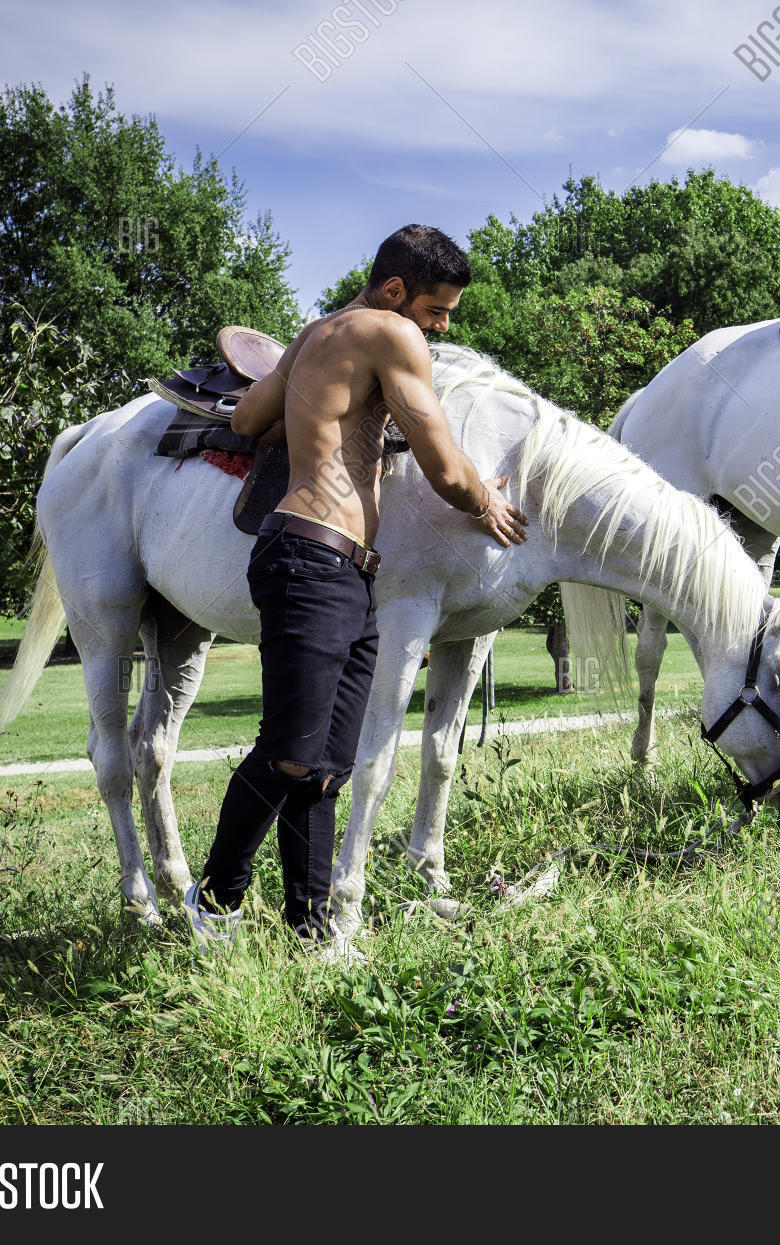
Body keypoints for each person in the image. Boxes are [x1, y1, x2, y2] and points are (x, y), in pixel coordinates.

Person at [184, 224, 528, 957]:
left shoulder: (317, 333)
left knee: (326, 767)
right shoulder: (391, 336)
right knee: (287, 749)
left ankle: (312, 931)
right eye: (438, 311)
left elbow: (246, 417)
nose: (440, 328)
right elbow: (441, 462)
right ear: (397, 290)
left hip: (342, 570)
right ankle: (215, 896)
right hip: (311, 558)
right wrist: (484, 503)